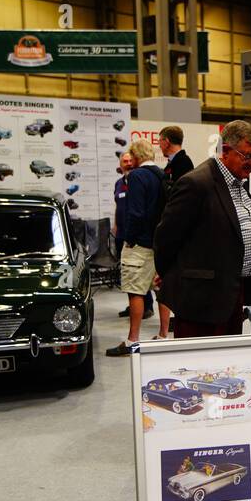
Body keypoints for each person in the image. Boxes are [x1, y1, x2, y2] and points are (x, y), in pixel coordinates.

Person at [154, 120, 251, 338]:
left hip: (232, 295)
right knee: (198, 367)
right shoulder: (196, 184)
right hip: (201, 302)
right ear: (225, 151)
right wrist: (172, 274)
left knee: (226, 367)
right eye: (247, 156)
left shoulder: (238, 182)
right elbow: (165, 238)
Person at [107, 138, 167, 355]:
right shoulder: (162, 175)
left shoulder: (137, 176)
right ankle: (163, 335)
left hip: (139, 243)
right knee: (161, 290)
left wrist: (129, 239)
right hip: (159, 243)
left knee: (135, 291)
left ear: (137, 155)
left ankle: (133, 341)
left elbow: (136, 212)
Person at [112, 150, 153, 321]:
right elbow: (118, 205)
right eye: (125, 161)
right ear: (120, 165)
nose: (128, 163)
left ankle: (148, 306)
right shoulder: (118, 183)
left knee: (140, 272)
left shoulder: (138, 180)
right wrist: (115, 224)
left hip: (135, 235)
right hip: (122, 232)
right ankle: (133, 305)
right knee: (128, 273)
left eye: (130, 160)